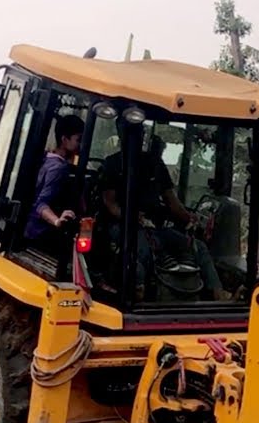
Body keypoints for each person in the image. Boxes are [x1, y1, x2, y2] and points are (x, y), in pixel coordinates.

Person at [100, 132, 224, 299]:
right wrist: (130, 216)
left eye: (141, 132)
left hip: (156, 228)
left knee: (198, 248)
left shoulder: (155, 163)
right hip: (124, 226)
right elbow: (110, 203)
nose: (139, 137)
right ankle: (137, 296)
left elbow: (171, 201)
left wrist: (190, 218)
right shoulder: (113, 164)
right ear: (122, 133)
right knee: (140, 251)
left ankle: (219, 297)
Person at [24, 114, 84, 255]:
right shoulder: (59, 168)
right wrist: (57, 221)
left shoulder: (46, 159)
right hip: (41, 233)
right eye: (78, 140)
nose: (81, 145)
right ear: (64, 140)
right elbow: (40, 204)